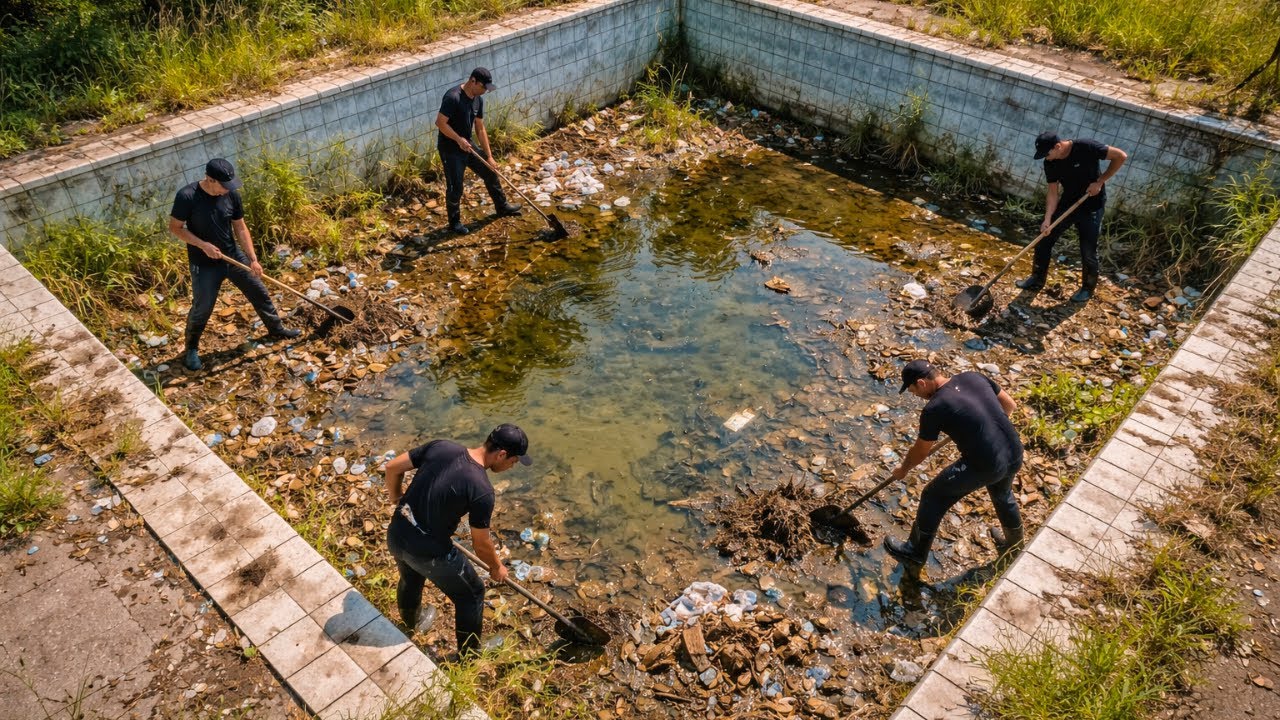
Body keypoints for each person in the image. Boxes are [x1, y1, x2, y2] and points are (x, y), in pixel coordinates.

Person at [384, 424, 532, 658]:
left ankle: (411, 623)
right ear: (502, 454)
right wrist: (496, 567)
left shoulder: (441, 447)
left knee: (410, 578)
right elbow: (481, 543)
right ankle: (469, 656)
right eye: (513, 461)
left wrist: (395, 496)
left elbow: (392, 467)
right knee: (472, 594)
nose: (512, 466)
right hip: (428, 553)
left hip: (396, 534)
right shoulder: (482, 490)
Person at [883, 360, 1024, 567]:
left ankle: (914, 551)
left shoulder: (934, 408)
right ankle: (1014, 545)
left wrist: (903, 469)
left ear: (921, 383)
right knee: (1002, 493)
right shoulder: (972, 376)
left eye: (913, 391)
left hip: (986, 464)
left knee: (933, 496)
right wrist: (987, 429)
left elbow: (921, 451)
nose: (916, 396)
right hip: (1014, 451)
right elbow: (1010, 405)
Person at [169, 158, 300, 372]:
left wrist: (253, 259)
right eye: (224, 185)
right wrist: (203, 245)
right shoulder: (187, 196)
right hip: (204, 264)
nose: (227, 190)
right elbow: (175, 228)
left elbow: (240, 227)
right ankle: (191, 349)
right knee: (203, 307)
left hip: (233, 256)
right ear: (210, 179)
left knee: (259, 292)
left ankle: (276, 329)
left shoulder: (231, 195)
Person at [1015, 132, 1128, 303]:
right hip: (1068, 204)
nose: (1046, 158)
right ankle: (1037, 279)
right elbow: (1052, 193)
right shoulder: (1050, 163)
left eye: (1047, 153)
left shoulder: (1086, 147)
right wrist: (1047, 219)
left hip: (1092, 205)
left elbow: (1120, 156)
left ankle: (1087, 289)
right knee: (1044, 238)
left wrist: (1100, 181)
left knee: (1088, 250)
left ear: (1057, 146)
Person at [435, 67, 522, 235]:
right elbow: (440, 123)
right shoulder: (453, 97)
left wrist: (489, 156)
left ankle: (502, 207)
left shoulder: (477, 100)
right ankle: (454, 223)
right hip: (450, 149)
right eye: (483, 87)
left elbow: (480, 128)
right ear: (473, 81)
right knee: (455, 187)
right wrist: (458, 140)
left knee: (490, 171)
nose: (485, 91)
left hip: (467, 145)